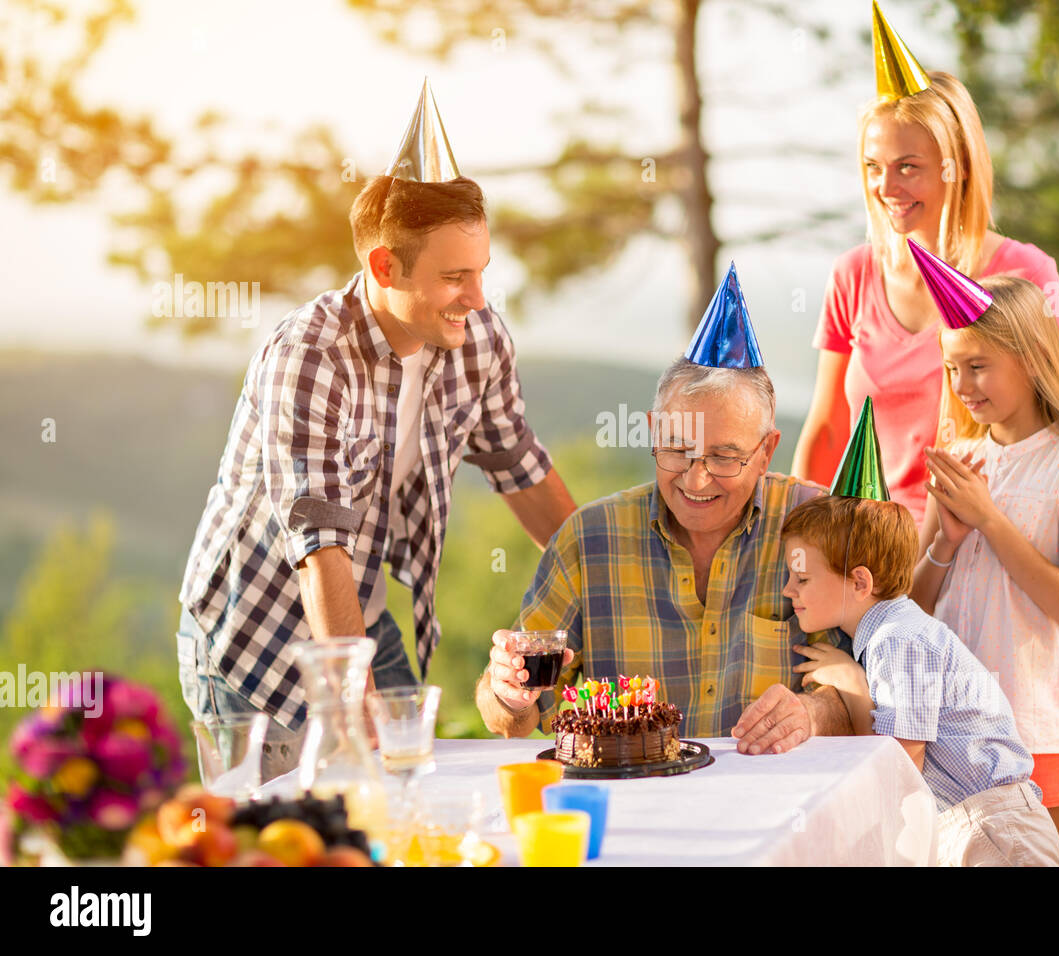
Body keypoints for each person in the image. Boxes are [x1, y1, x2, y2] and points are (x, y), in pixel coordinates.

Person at [177, 81, 576, 777]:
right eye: (456, 277)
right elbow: (319, 546)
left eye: (482, 273)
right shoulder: (309, 354)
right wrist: (349, 707)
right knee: (289, 837)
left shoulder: (477, 338)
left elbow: (522, 469)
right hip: (253, 637)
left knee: (412, 793)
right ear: (383, 266)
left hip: (357, 611)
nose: (478, 299)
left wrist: (603, 578)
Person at [790, 4, 1059, 546]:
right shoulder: (853, 275)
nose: (886, 186)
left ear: (958, 166)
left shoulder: (1023, 271)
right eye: (874, 167)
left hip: (988, 548)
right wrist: (799, 544)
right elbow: (827, 429)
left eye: (908, 166)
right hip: (876, 562)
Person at [476, 266, 854, 752]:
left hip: (783, 801)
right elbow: (510, 718)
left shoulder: (818, 524)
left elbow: (874, 692)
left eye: (723, 456)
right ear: (653, 429)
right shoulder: (589, 539)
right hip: (634, 806)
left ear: (766, 451)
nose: (696, 480)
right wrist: (508, 692)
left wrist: (814, 712)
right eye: (677, 449)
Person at [907, 250, 1059, 867]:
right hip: (956, 723)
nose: (962, 387)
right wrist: (945, 541)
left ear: (1030, 360)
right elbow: (914, 608)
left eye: (978, 366)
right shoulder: (957, 456)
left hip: (1039, 721)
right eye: (951, 369)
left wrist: (989, 519)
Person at [782, 494, 1059, 866]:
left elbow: (902, 767)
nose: (789, 589)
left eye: (802, 577)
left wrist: (852, 684)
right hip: (975, 827)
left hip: (993, 835)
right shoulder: (892, 633)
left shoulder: (898, 639)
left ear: (860, 582)